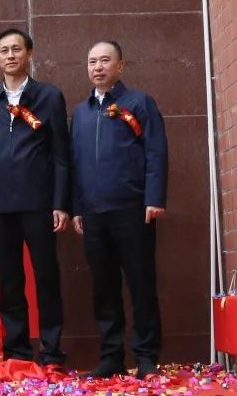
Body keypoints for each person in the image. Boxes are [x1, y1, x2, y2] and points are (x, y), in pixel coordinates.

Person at [0, 28, 70, 366]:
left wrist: (60, 203)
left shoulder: (49, 97)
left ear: (29, 54)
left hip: (40, 204)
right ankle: (16, 350)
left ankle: (52, 350)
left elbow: (61, 156)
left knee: (46, 276)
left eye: (17, 49)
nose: (11, 55)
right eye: (4, 50)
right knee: (10, 281)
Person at [70, 40, 167, 380]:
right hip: (94, 213)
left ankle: (146, 356)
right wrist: (77, 206)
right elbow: (75, 163)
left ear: (120, 66)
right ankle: (111, 355)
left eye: (105, 60)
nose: (98, 67)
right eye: (92, 61)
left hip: (133, 208)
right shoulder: (81, 113)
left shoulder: (138, 102)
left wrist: (154, 197)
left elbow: (156, 152)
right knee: (104, 286)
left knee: (141, 283)